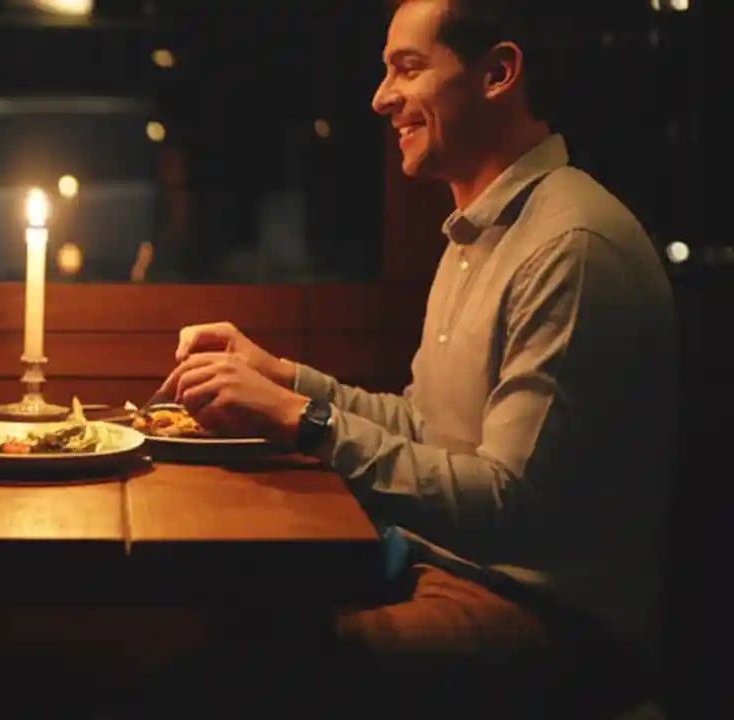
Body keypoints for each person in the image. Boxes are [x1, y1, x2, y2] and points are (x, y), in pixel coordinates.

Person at [147, 0, 677, 716]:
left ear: (498, 73)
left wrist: (305, 419)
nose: (380, 97)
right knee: (233, 614)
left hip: (551, 622)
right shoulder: (478, 233)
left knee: (221, 683)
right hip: (442, 568)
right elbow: (427, 426)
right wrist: (282, 376)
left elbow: (508, 507)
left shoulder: (570, 246)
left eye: (408, 68)